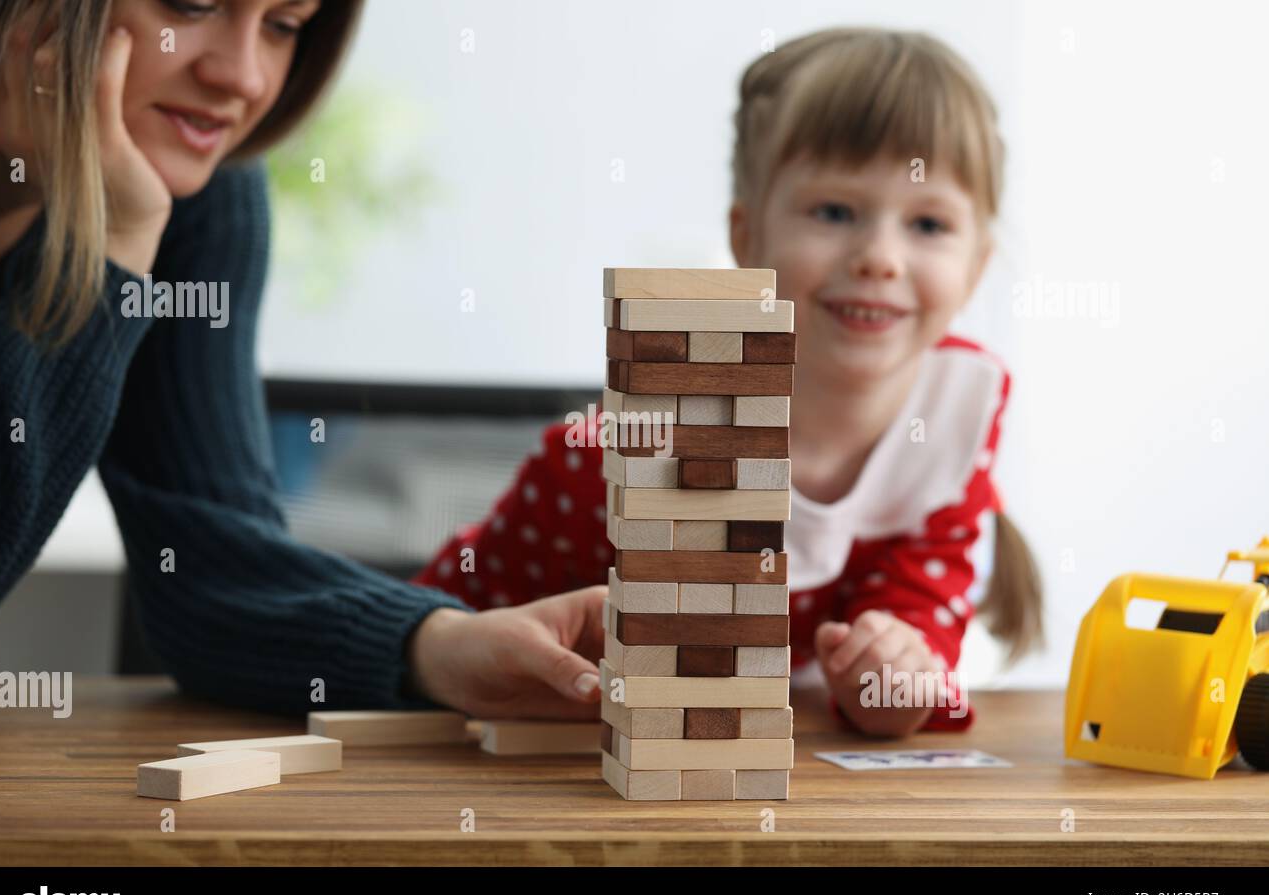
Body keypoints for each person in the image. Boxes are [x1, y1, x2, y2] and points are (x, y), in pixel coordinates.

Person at [0, 0, 605, 721]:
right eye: (193, 5)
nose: (243, 77)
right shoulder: (143, 198)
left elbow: (210, 569)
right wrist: (114, 249)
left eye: (284, 24)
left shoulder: (197, 191)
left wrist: (442, 645)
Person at [416, 27, 1044, 737]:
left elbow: (919, 599)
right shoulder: (639, 443)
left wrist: (895, 673)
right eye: (835, 212)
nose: (880, 258)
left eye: (928, 223)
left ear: (977, 266)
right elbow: (435, 638)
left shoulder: (957, 407)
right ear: (747, 238)